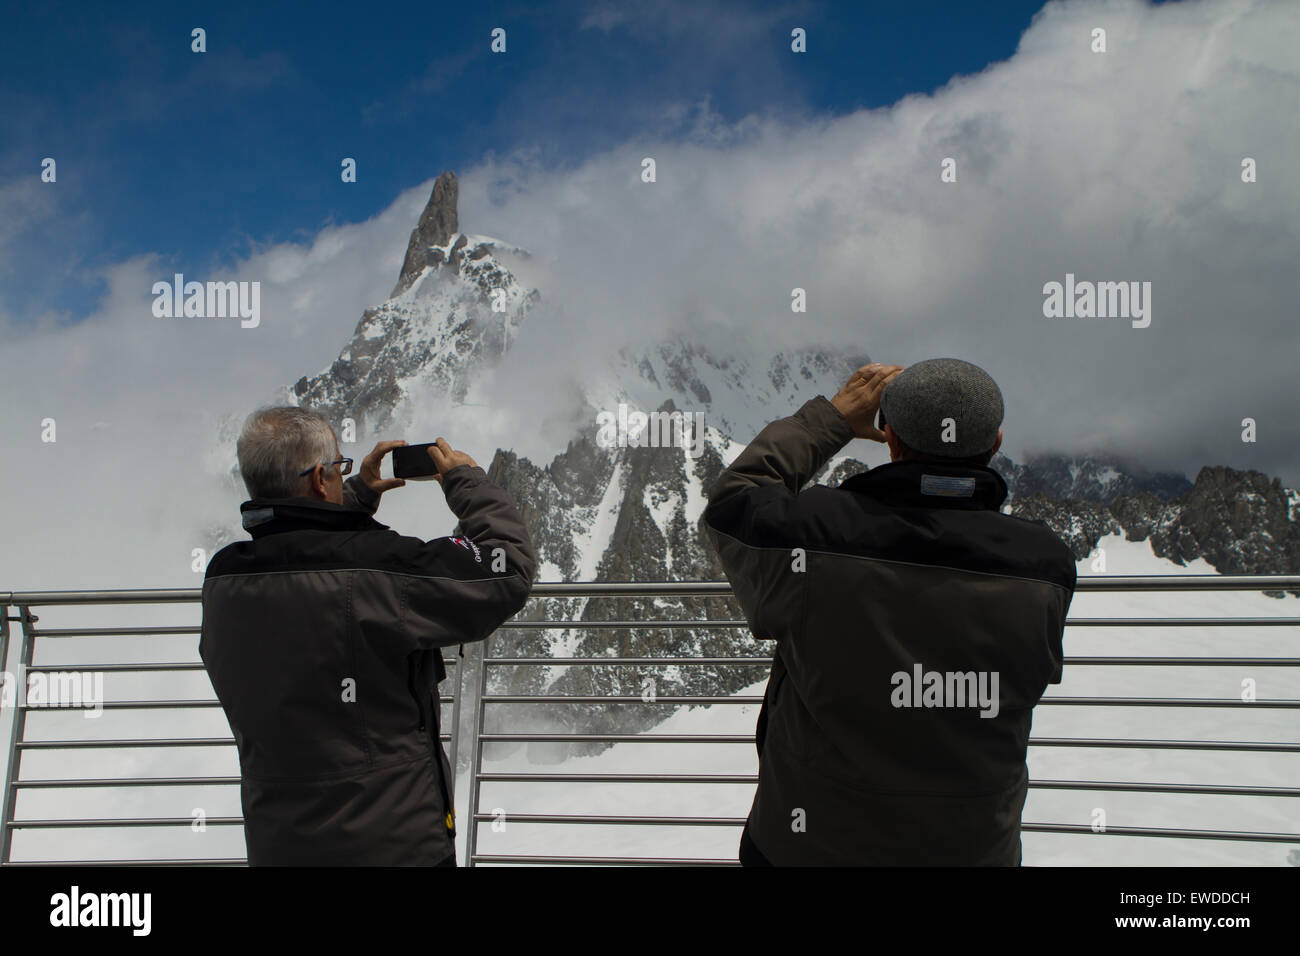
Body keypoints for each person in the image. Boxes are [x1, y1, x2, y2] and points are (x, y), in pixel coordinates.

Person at [703, 358, 1077, 865]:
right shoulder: (1046, 567)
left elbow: (732, 506)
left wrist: (831, 418)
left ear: (891, 441)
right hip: (973, 850)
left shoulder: (811, 539)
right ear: (995, 444)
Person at [200, 406, 536, 865]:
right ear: (320, 480)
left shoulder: (223, 578)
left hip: (278, 845)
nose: (343, 476)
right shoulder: (380, 570)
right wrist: (466, 482)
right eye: (339, 469)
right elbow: (506, 569)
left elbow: (307, 561)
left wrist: (351, 500)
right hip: (392, 847)